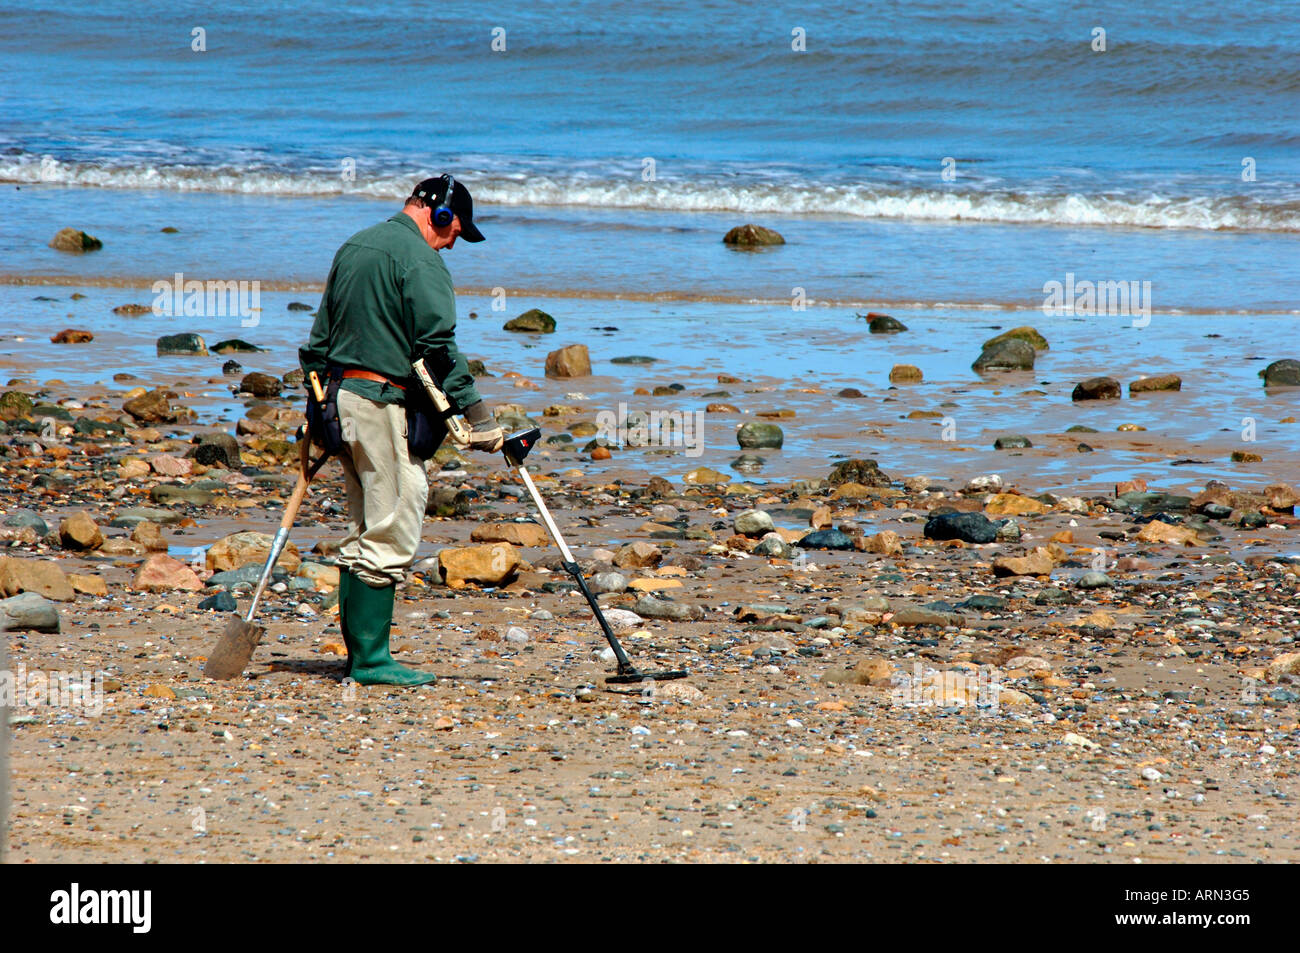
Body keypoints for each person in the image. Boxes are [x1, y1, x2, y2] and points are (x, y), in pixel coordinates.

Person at [299, 174, 502, 686]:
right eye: (456, 229)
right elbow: (436, 346)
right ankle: (370, 662)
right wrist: (476, 413)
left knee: (363, 527)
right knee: (393, 522)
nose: (454, 241)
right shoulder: (420, 259)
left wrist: (317, 410)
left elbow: (318, 340)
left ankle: (359, 657)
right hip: (379, 402)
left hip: (340, 399)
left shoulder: (356, 246)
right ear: (438, 214)